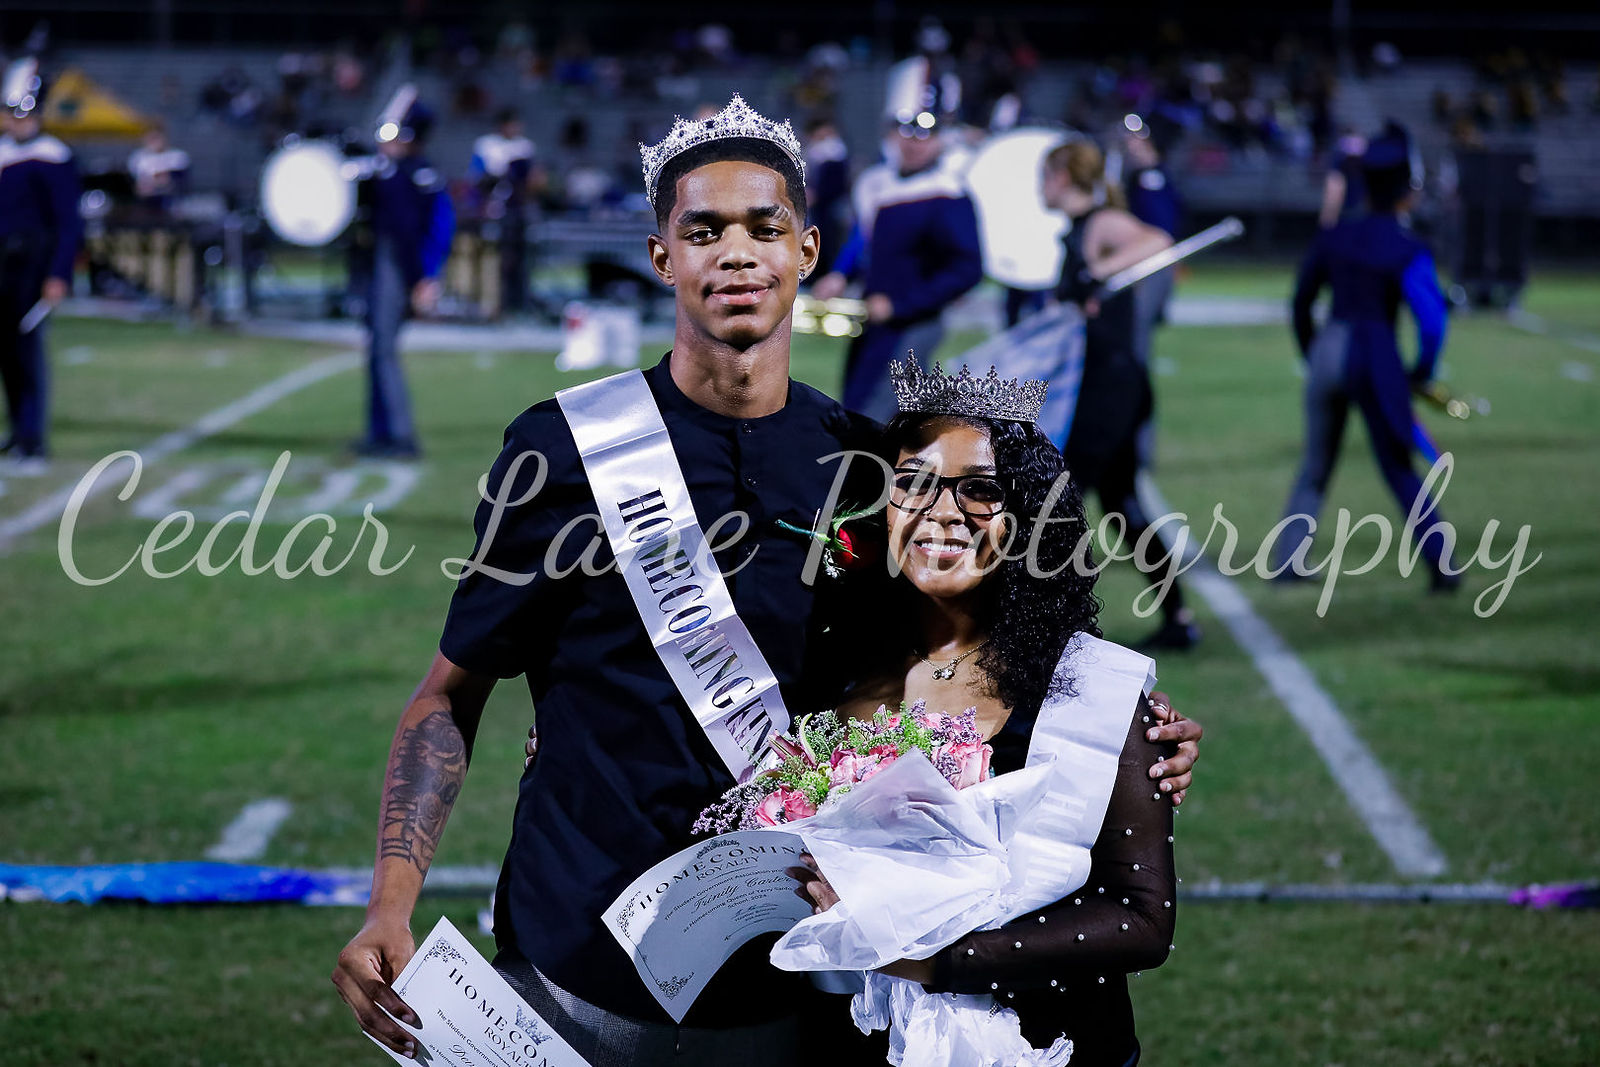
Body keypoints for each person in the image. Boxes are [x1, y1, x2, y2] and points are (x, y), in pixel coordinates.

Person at [333, 94, 1204, 1067]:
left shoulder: (862, 465)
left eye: (764, 228)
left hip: (792, 982)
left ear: (807, 249)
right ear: (663, 257)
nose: (735, 253)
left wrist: (1129, 732)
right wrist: (390, 899)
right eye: (702, 231)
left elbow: (982, 650)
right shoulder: (564, 450)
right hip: (572, 966)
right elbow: (450, 693)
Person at [793, 359, 1178, 1065]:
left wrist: (935, 961)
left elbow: (1141, 918)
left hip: (1051, 1045)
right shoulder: (830, 669)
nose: (942, 512)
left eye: (980, 490)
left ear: (1029, 518)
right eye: (912, 483)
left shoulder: (1091, 688)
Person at [1269, 123, 1458, 590]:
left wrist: (1312, 351)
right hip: (1374, 353)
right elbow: (1432, 322)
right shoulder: (1408, 246)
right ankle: (1443, 567)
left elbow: (1299, 302)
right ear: (1405, 193)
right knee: (1397, 464)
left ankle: (1288, 562)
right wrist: (1421, 372)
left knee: (1315, 462)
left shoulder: (1334, 236)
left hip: (1329, 346)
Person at [1041, 141, 1201, 650]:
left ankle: (1064, 627)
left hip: (1111, 387)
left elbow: (1158, 241)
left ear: (1064, 176)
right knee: (1122, 505)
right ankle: (1178, 617)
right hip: (1104, 384)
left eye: (1045, 176)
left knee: (1061, 502)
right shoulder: (1075, 231)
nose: (1038, 187)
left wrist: (1099, 273)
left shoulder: (1102, 222)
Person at [811, 67, 983, 422]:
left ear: (941, 138)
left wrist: (900, 304)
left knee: (879, 419)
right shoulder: (878, 182)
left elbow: (968, 268)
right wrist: (840, 275)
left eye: (924, 132)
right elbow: (864, 239)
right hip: (872, 319)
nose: (912, 140)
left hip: (914, 321)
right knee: (856, 409)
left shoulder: (948, 193)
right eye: (904, 129)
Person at [353, 85, 454, 459]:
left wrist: (423, 277)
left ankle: (398, 435)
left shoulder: (408, 175)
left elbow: (417, 232)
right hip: (396, 265)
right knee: (379, 349)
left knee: (383, 351)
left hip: (398, 266)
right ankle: (380, 431)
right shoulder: (412, 173)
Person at [0, 58, 81, 475]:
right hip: (1, 264)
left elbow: (69, 223)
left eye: (23, 113)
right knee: (5, 355)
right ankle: (16, 431)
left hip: (32, 264)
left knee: (27, 351)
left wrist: (58, 274)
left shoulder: (52, 155)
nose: (17, 121)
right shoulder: (3, 154)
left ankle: (33, 439)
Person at [469, 107, 543, 315]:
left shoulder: (524, 147)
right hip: (493, 208)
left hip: (517, 210)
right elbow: (476, 179)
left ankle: (516, 302)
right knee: (493, 257)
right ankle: (490, 302)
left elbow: (532, 180)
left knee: (519, 258)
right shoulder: (486, 145)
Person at [126, 123, 190, 212]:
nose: (153, 142)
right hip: (145, 203)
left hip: (170, 202)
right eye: (150, 138)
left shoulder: (177, 157)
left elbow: (172, 181)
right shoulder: (138, 157)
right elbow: (137, 185)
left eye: (156, 138)